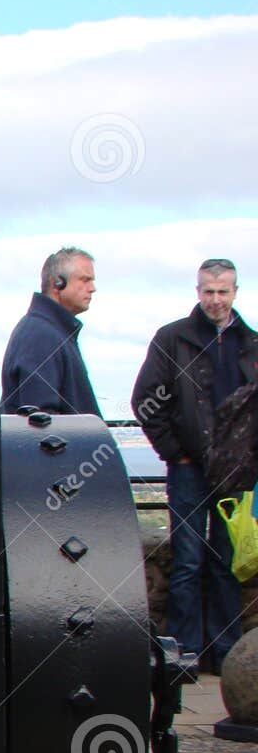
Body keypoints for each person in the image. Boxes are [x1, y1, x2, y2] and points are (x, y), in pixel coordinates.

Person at [133, 258, 258, 673]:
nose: (216, 299)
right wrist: (174, 451)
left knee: (226, 562)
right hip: (188, 468)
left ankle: (225, 656)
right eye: (208, 291)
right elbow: (146, 399)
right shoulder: (174, 339)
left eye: (223, 291)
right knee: (187, 561)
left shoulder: (251, 344)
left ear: (235, 292)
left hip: (235, 471)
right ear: (197, 291)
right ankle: (183, 656)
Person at [1, 247, 101, 415]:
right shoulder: (41, 336)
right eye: (85, 280)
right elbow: (40, 421)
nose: (92, 288)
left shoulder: (51, 331)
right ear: (57, 283)